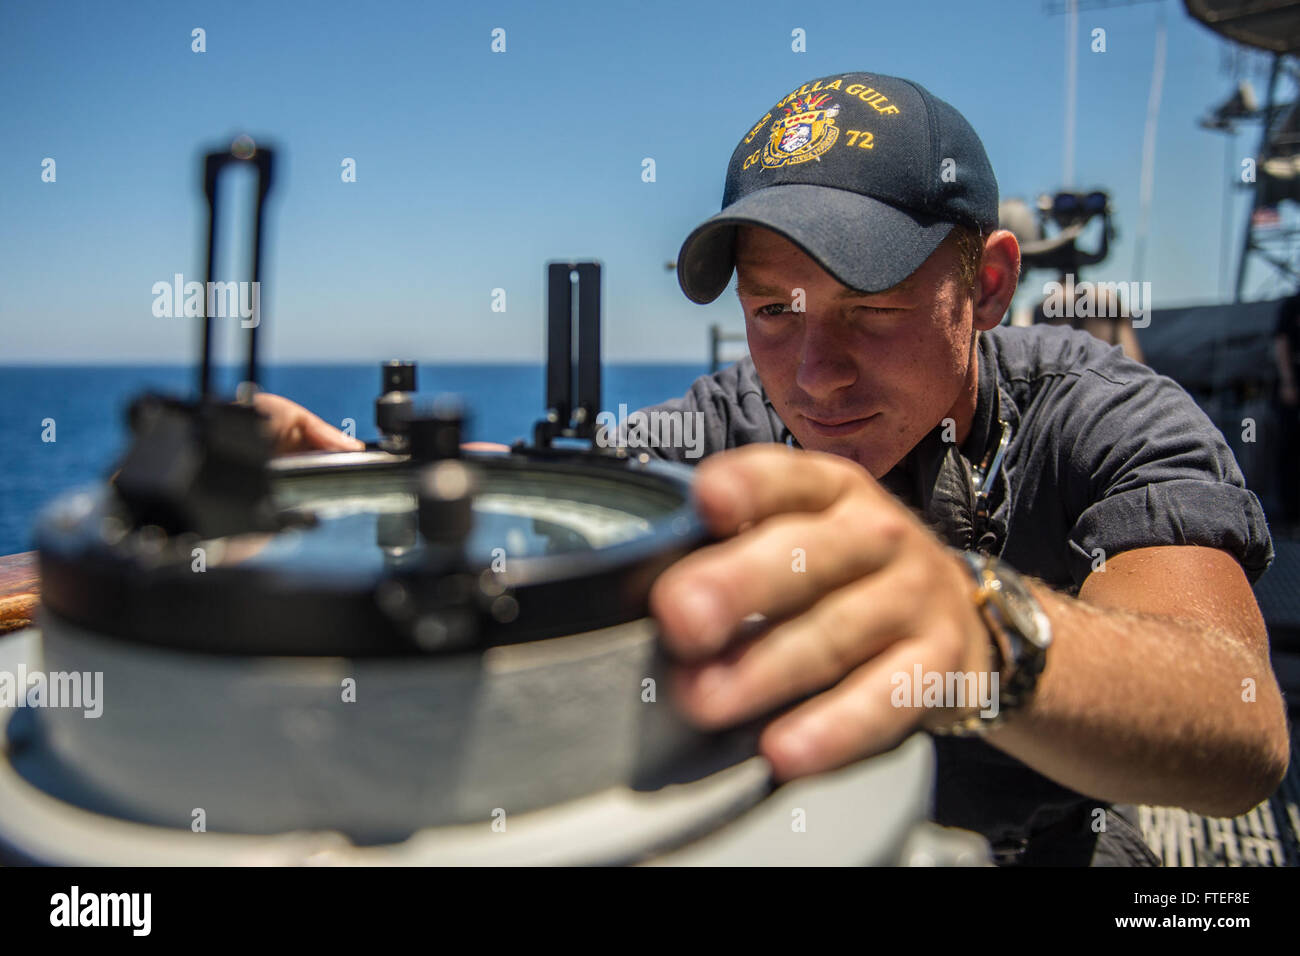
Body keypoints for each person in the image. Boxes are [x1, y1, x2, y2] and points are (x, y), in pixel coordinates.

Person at [256, 71, 1290, 866]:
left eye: (871, 310)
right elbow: (558, 491)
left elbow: (1239, 716)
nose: (814, 374)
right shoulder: (724, 423)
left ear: (986, 283)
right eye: (770, 312)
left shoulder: (1101, 411)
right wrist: (373, 485)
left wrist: (982, 626)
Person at [1274, 292, 1300, 531]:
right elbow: (1281, 344)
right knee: (1291, 451)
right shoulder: (1292, 305)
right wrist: (1288, 381)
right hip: (1294, 391)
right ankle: (1292, 518)